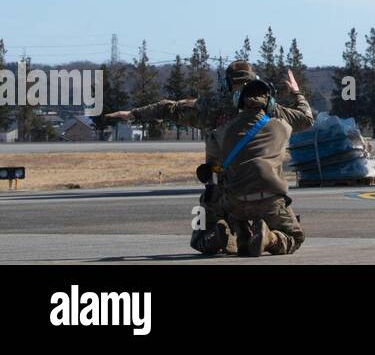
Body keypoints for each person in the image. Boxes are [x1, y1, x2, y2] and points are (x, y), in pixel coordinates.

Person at [105, 60, 256, 255]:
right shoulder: (267, 108)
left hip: (219, 177)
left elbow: (170, 108)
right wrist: (296, 95)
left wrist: (133, 115)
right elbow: (303, 119)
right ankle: (259, 233)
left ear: (226, 83)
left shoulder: (210, 107)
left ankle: (220, 235)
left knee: (200, 232)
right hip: (257, 181)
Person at [207, 66, 314, 256]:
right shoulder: (281, 126)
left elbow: (213, 171)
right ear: (270, 103)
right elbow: (306, 119)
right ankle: (269, 238)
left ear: (238, 101)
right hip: (269, 200)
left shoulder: (221, 132)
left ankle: (233, 231)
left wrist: (216, 197)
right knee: (295, 237)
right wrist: (296, 93)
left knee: (216, 195)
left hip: (236, 202)